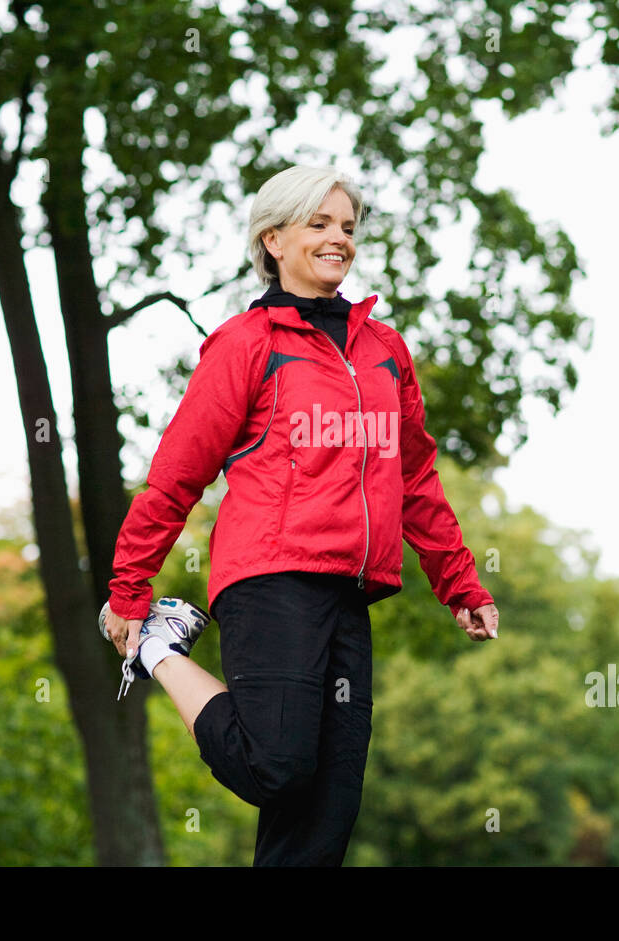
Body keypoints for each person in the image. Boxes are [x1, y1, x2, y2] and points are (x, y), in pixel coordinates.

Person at [101, 164, 500, 866]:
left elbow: (415, 478)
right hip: (271, 578)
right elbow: (176, 474)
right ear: (274, 239)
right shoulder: (246, 344)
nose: (338, 239)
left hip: (352, 589)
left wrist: (459, 583)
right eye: (319, 224)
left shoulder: (383, 352)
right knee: (276, 765)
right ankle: (159, 648)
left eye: (347, 227)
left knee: (323, 817)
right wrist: (129, 590)